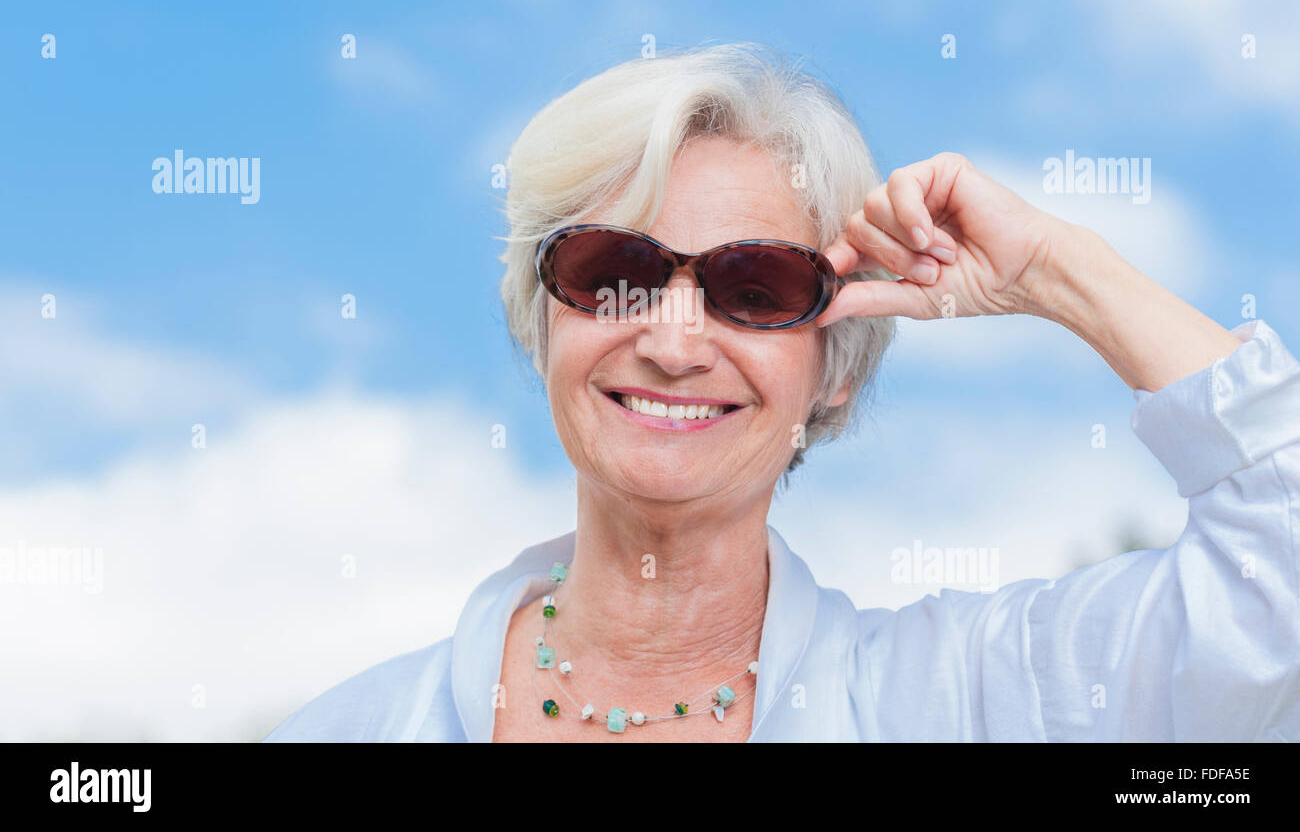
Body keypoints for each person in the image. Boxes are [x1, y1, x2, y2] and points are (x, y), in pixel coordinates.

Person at [264, 43, 1299, 742]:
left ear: (834, 373)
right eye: (608, 267)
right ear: (545, 323)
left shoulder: (967, 699)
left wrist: (1063, 271)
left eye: (752, 287)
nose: (672, 340)